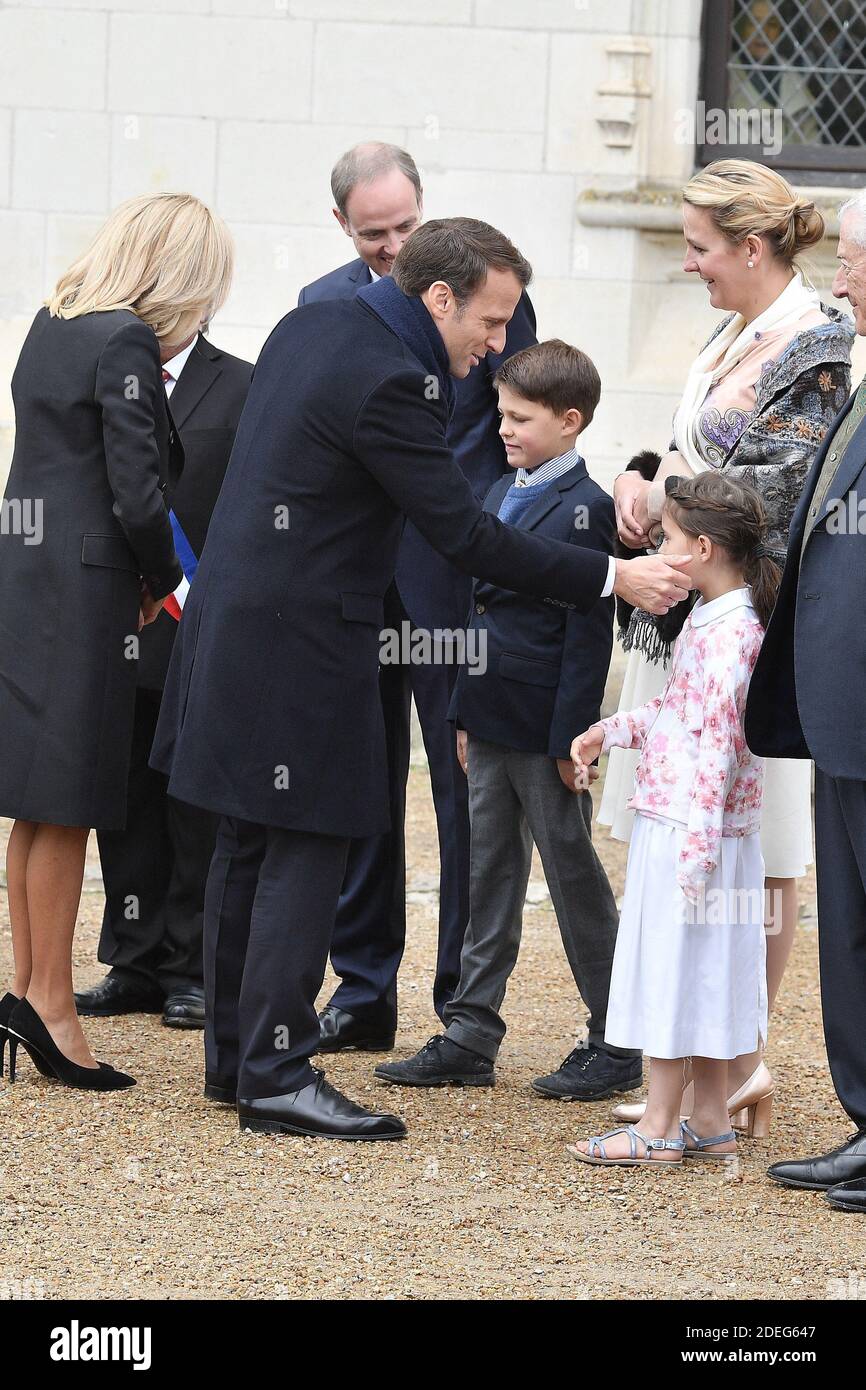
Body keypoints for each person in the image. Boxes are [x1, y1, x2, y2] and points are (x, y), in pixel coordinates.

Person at [149, 217, 692, 1142]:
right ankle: (277, 1073)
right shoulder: (391, 380)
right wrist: (613, 574)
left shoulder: (311, 325)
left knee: (246, 838)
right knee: (308, 842)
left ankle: (240, 1057)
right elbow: (464, 535)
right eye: (491, 320)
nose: (498, 344)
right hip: (305, 640)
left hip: (234, 620)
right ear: (438, 298)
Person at [604, 159, 853, 1126]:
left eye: (700, 248)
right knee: (676, 830)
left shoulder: (817, 344)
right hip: (685, 607)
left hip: (755, 630)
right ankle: (698, 1052)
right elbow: (694, 450)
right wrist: (640, 473)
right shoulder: (735, 330)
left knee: (763, 847)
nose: (690, 265)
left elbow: (773, 493)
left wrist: (666, 497)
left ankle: (740, 1049)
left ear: (751, 247)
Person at [300, 143, 538, 1046]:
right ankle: (361, 990)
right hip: (357, 582)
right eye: (374, 234)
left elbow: (514, 428)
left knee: (462, 787)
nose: (394, 248)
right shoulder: (323, 308)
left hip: (455, 580)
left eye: (406, 226)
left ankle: (462, 1005)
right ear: (342, 227)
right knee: (358, 780)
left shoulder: (491, 297)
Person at [0, 193, 234, 1091]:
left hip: (29, 576)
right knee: (66, 800)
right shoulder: (125, 339)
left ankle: (28, 991)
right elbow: (139, 494)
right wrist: (160, 579)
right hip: (89, 584)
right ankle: (51, 1010)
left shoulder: (51, 321)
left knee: (35, 802)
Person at [375, 340, 641, 1100]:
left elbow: (589, 635)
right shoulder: (497, 495)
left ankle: (618, 1034)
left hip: (545, 731)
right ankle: (470, 1030)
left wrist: (571, 740)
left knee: (573, 878)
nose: (503, 430)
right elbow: (471, 609)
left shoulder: (586, 511)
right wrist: (461, 713)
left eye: (520, 418)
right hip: (487, 718)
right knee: (486, 872)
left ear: (570, 420)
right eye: (499, 414)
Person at [569, 473, 779, 1168]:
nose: (657, 546)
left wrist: (694, 853)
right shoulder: (720, 621)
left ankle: (659, 1125)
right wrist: (610, 730)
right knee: (709, 970)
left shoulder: (729, 636)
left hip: (694, 831)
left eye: (666, 538)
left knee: (673, 964)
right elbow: (679, 716)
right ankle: (711, 1117)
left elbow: (717, 747)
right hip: (710, 833)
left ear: (703, 549)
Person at [75, 328, 253, 1030]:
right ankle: (134, 959)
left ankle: (191, 968)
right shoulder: (103, 372)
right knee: (124, 800)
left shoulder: (242, 380)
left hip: (203, 617)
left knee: (195, 803)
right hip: (125, 616)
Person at [745, 190, 866, 1212]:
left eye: (854, 260)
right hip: (839, 709)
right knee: (850, 930)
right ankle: (863, 1121)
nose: (839, 276)